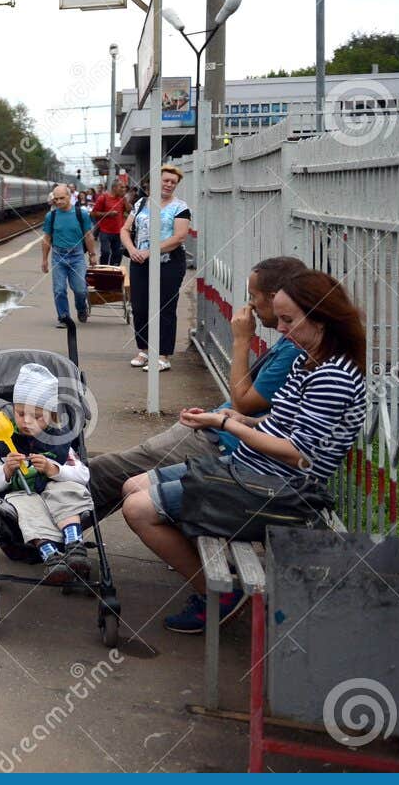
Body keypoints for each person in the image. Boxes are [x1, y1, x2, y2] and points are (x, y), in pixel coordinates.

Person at [121, 270, 367, 633]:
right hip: (249, 472)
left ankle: (217, 596)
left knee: (137, 509)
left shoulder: (332, 375)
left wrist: (227, 427)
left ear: (321, 319)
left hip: (278, 493)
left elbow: (297, 454)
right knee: (132, 486)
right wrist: (236, 418)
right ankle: (203, 569)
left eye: (288, 320)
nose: (280, 329)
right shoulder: (309, 358)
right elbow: (283, 423)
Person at [86, 256, 307, 520]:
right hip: (217, 432)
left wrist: (241, 340)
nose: (250, 304)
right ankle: (59, 535)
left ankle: (49, 535)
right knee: (114, 472)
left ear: (274, 298)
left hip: (224, 445)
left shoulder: (294, 349)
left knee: (105, 471)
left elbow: (243, 402)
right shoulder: (292, 343)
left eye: (253, 296)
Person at [0, 363, 94, 584]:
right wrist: (5, 470)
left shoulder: (59, 440)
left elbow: (82, 475)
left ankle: (74, 545)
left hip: (54, 488)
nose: (27, 421)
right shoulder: (2, 439)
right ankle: (50, 555)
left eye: (37, 417)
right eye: (21, 414)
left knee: (67, 490)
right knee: (26, 506)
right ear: (13, 410)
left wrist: (55, 469)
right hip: (22, 491)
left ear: (51, 418)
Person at [122, 164, 192, 370]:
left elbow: (179, 237)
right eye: (166, 180)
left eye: (173, 182)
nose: (169, 185)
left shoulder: (181, 207)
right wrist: (132, 249)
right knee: (140, 306)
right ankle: (143, 350)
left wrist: (151, 251)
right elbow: (125, 230)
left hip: (168, 263)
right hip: (139, 261)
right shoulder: (141, 204)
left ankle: (162, 355)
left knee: (164, 307)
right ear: (155, 181)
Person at [40, 184, 98, 326]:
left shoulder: (81, 214)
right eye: (56, 199)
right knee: (59, 289)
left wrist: (92, 254)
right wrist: (44, 260)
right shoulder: (51, 216)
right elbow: (46, 238)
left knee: (80, 289)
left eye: (62, 198)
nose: (58, 201)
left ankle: (81, 308)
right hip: (58, 256)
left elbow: (88, 235)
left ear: (70, 197)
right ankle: (64, 317)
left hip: (77, 256)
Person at [90, 179, 128, 265]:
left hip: (119, 232)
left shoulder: (122, 199)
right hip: (105, 232)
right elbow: (93, 214)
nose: (124, 189)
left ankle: (113, 272)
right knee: (105, 252)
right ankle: (103, 270)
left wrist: (125, 200)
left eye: (124, 187)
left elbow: (129, 210)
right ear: (114, 188)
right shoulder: (103, 198)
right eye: (121, 187)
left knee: (118, 254)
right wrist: (108, 214)